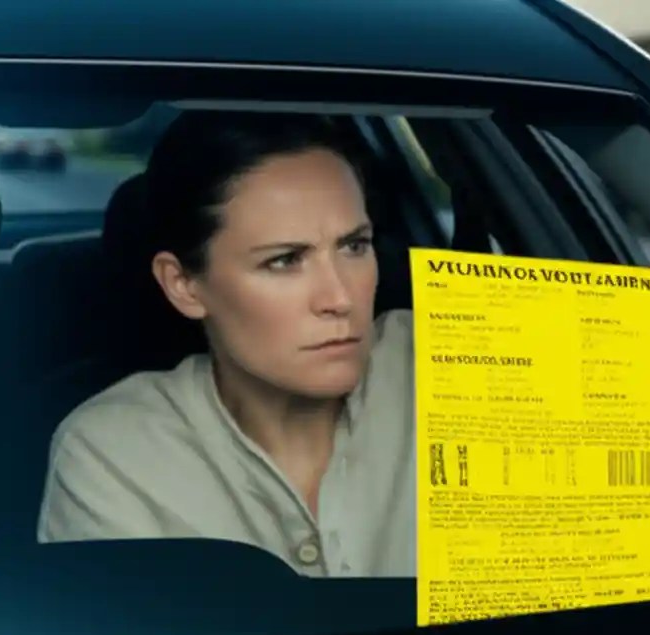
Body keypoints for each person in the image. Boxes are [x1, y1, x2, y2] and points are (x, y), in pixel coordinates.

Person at [37, 111, 418, 578]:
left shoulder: (453, 359)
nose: (340, 298)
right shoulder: (112, 454)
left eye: (355, 246)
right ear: (183, 285)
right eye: (285, 260)